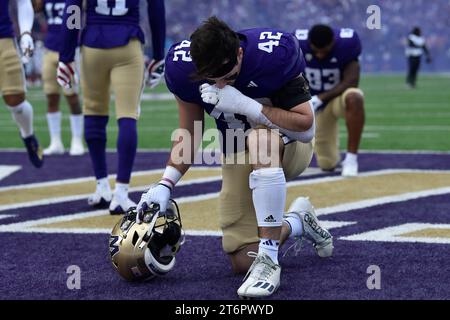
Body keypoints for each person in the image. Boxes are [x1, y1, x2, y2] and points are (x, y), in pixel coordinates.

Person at [136, 17, 333, 298]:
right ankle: (297, 222)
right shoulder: (182, 68)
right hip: (237, 153)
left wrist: (246, 105)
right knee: (241, 260)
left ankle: (269, 260)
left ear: (239, 53)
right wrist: (166, 183)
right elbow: (191, 132)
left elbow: (306, 127)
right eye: (211, 79)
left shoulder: (274, 54)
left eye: (227, 76)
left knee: (260, 138)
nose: (219, 84)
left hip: (287, 146)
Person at [57, 0, 166, 214]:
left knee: (93, 111)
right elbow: (156, 8)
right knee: (127, 115)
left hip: (92, 44)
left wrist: (66, 55)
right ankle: (121, 193)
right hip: (128, 43)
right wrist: (158, 54)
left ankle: (102, 186)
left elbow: (73, 8)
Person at [295, 25, 365, 177]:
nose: (320, 55)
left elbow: (352, 81)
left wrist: (321, 98)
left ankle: (351, 159)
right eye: (316, 51)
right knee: (327, 164)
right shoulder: (297, 43)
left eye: (324, 51)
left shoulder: (347, 43)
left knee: (355, 97)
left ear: (333, 42)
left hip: (336, 99)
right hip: (313, 104)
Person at [32, 0, 84, 156]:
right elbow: (35, 9)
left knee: (72, 97)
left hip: (69, 50)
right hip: (49, 48)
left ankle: (77, 139)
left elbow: (77, 19)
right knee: (51, 96)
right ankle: (56, 141)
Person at [0, 0, 44, 168]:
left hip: (3, 38)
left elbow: (23, 2)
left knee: (15, 99)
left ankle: (28, 135)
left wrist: (26, 33)